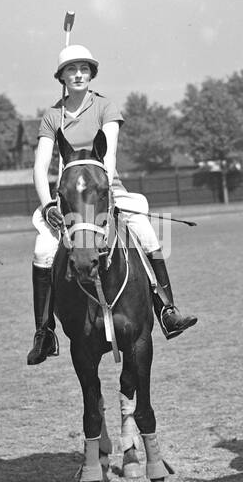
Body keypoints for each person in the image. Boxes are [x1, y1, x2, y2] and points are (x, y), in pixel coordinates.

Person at [27, 42, 197, 365]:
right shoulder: (52, 116)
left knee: (146, 232)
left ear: (91, 74)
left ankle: (166, 309)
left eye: (84, 69)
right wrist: (49, 204)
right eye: (71, 70)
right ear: (61, 76)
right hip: (67, 200)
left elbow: (109, 154)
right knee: (42, 251)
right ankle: (44, 332)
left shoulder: (106, 108)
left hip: (106, 190)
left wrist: (102, 193)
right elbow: (39, 166)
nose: (78, 74)